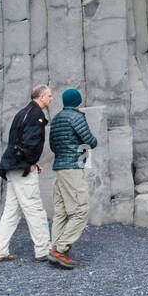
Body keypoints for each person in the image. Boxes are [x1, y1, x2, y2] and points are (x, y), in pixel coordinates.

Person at [0, 85, 53, 262]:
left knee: (12, 211)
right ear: (41, 97)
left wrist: (32, 162)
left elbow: (16, 142)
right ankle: (42, 249)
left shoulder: (23, 113)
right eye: (49, 95)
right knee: (34, 209)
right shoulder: (36, 116)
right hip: (21, 169)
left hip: (11, 166)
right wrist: (30, 162)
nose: (51, 98)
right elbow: (30, 143)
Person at [48, 88, 99, 269]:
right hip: (72, 168)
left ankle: (54, 247)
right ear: (77, 101)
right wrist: (87, 145)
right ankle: (60, 250)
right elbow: (89, 141)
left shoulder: (56, 119)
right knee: (80, 210)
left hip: (59, 168)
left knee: (61, 211)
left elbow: (53, 145)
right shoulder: (76, 117)